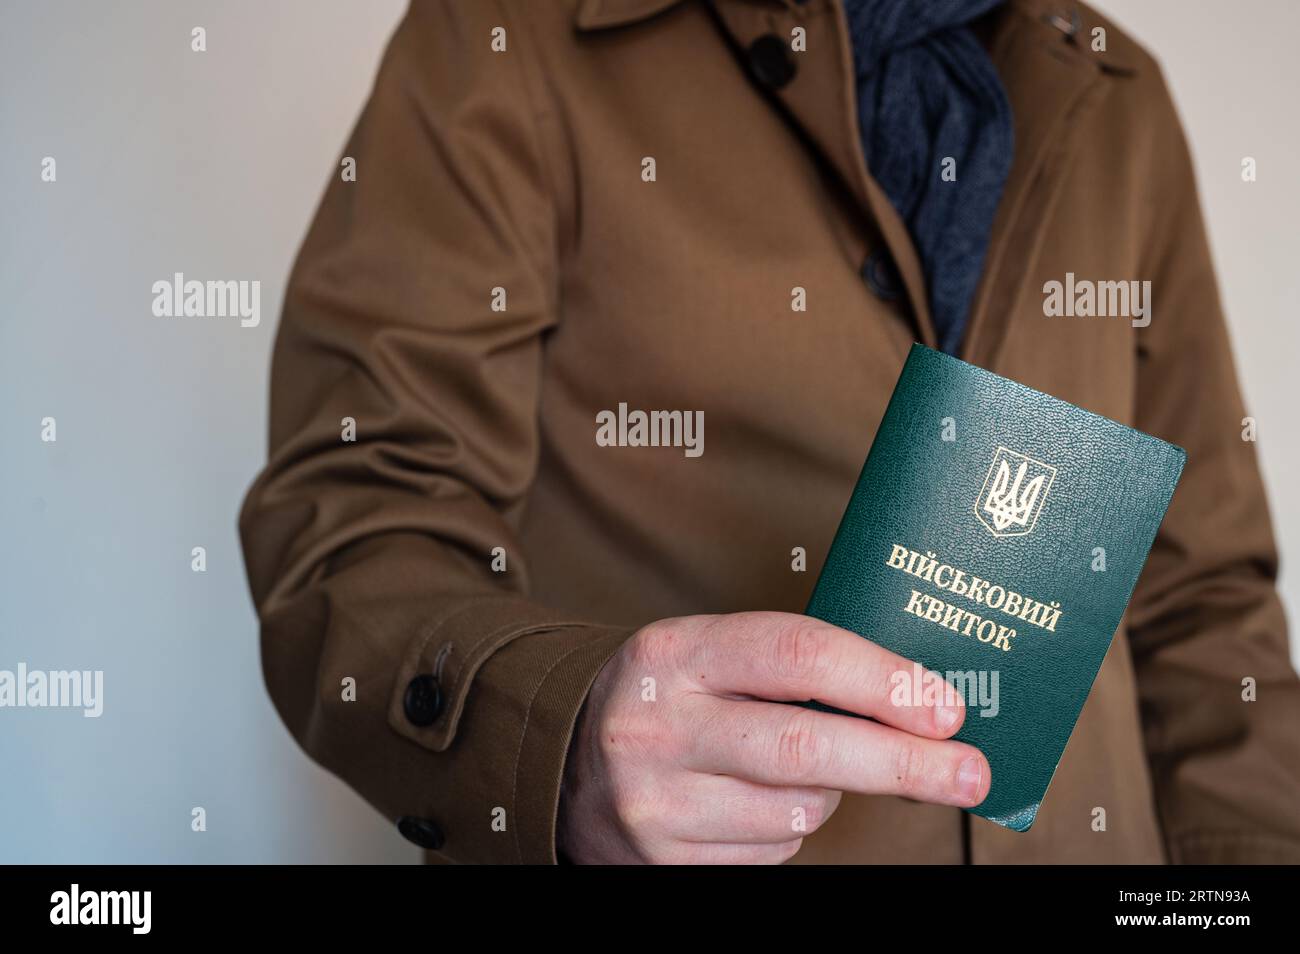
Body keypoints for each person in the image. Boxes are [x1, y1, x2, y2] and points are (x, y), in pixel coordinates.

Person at [239, 0, 1300, 864]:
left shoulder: (1118, 96)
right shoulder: (505, 37)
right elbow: (355, 517)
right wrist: (559, 735)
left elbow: (1196, 596)